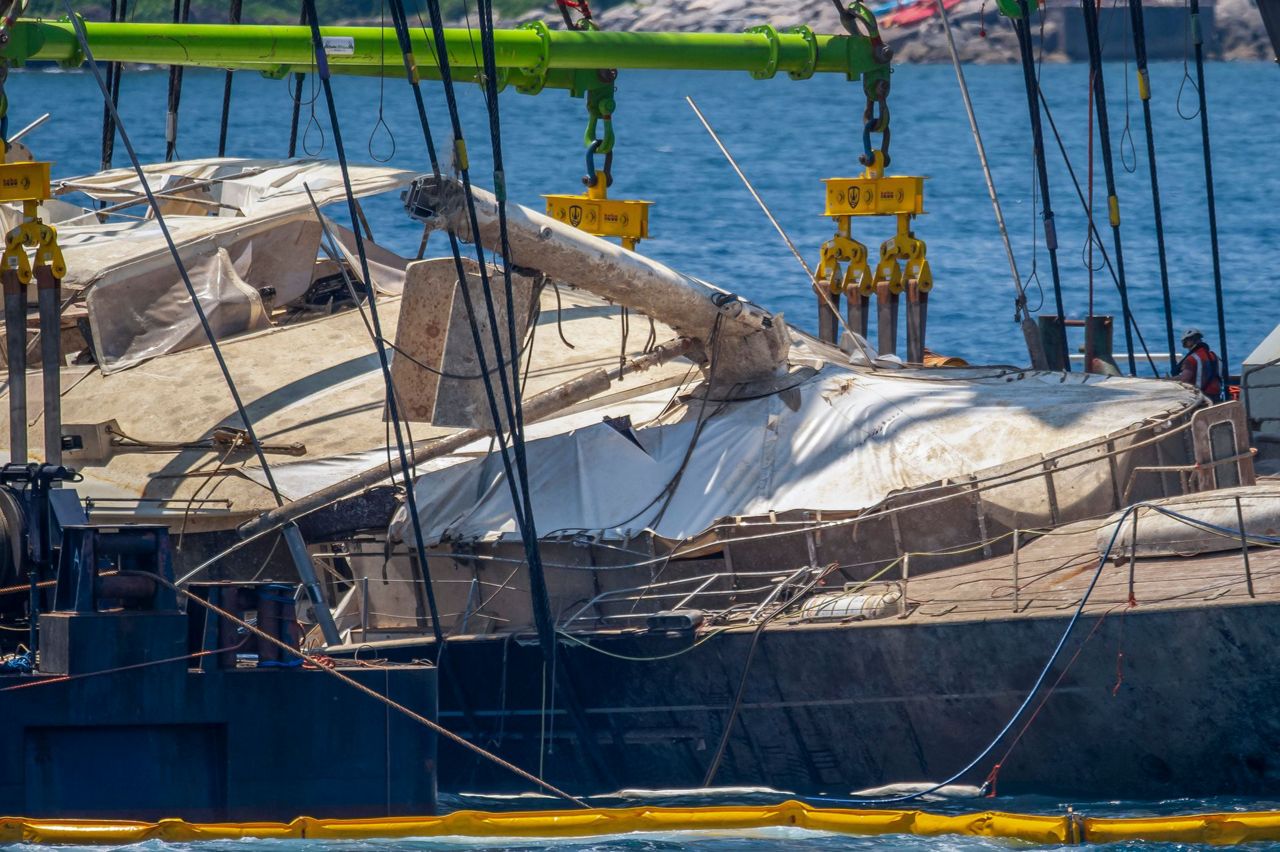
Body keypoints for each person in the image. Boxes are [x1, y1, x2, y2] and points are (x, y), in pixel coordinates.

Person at [1175, 328, 1222, 400]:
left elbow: (1184, 379)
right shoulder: (1216, 357)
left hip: (1201, 399)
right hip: (1217, 397)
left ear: (1189, 342)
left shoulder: (1191, 359)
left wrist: (1168, 380)